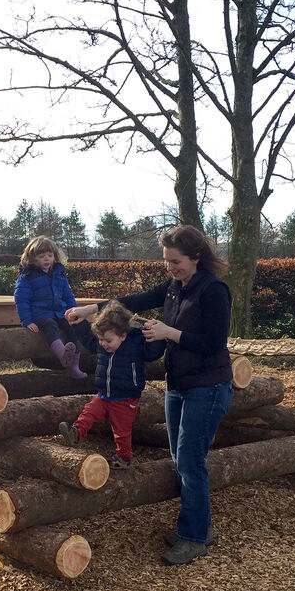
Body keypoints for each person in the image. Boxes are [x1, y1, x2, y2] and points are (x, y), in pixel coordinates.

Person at [66, 225, 233, 565]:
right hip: (179, 384)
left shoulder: (214, 290)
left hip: (209, 385)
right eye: (167, 261)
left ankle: (195, 536)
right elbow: (132, 302)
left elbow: (214, 343)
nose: (170, 267)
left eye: (176, 261)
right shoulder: (175, 287)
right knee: (179, 456)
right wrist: (88, 310)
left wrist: (169, 332)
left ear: (196, 258)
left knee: (189, 459)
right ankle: (197, 525)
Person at [58, 300, 166, 469]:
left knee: (121, 430)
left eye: (108, 340)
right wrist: (78, 324)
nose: (103, 344)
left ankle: (123, 458)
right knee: (89, 411)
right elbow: (87, 338)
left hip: (125, 399)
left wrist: (158, 336)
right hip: (104, 395)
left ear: (123, 335)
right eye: (101, 339)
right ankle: (76, 433)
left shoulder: (135, 345)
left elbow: (154, 353)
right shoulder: (102, 344)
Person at [14, 235, 86, 379]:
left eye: (50, 255)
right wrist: (27, 320)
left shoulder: (59, 274)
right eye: (42, 256)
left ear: (55, 256)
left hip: (60, 312)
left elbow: (68, 295)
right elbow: (21, 300)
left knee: (72, 330)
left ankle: (73, 367)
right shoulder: (28, 276)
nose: (47, 259)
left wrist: (74, 311)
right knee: (50, 325)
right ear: (33, 258)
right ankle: (62, 354)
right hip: (40, 314)